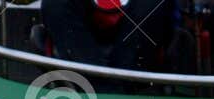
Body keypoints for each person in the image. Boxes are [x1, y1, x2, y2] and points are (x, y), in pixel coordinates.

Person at [38, 0, 176, 71]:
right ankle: (98, 85)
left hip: (137, 39)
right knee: (56, 3)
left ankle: (122, 85)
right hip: (81, 35)